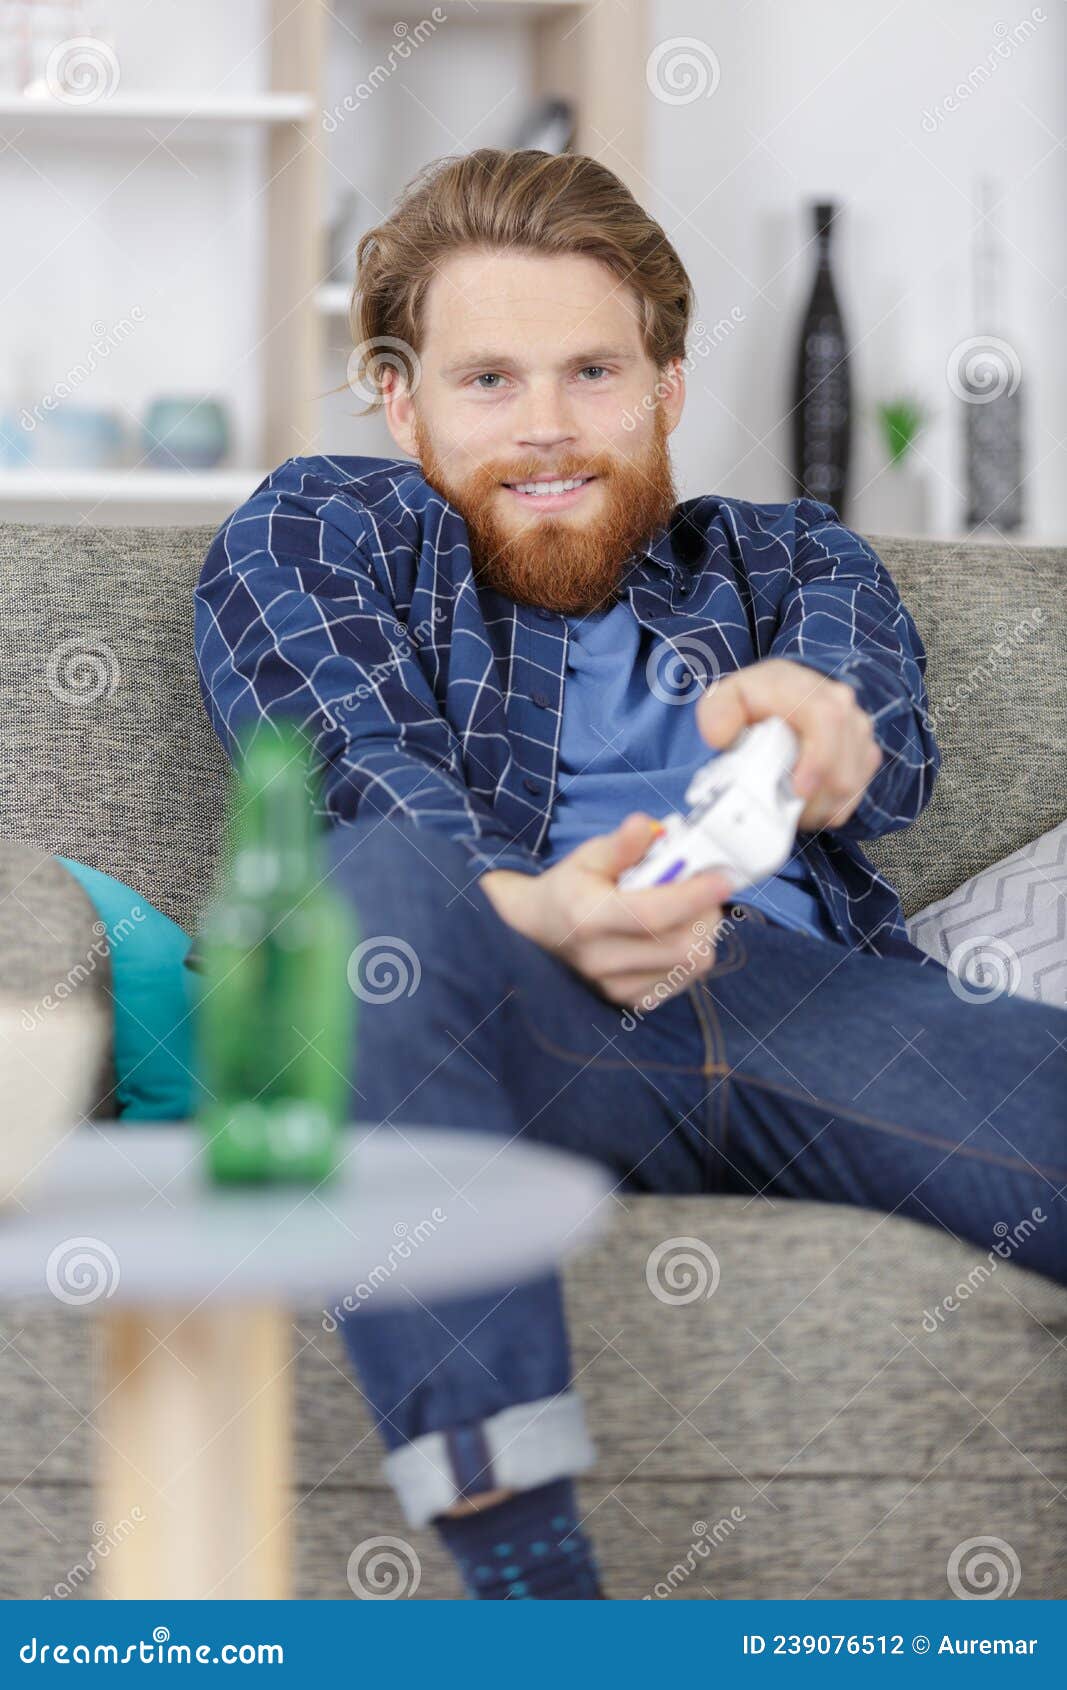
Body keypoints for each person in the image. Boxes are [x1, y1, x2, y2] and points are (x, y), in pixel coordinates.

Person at [193, 148, 1066, 1601]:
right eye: (488, 381)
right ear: (403, 402)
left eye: (593, 372)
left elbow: (873, 738)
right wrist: (539, 909)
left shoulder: (789, 558)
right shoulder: (320, 529)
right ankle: (538, 1599)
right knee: (369, 888)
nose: (546, 428)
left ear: (666, 386)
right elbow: (362, 767)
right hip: (508, 1010)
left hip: (809, 1008)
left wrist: (816, 740)